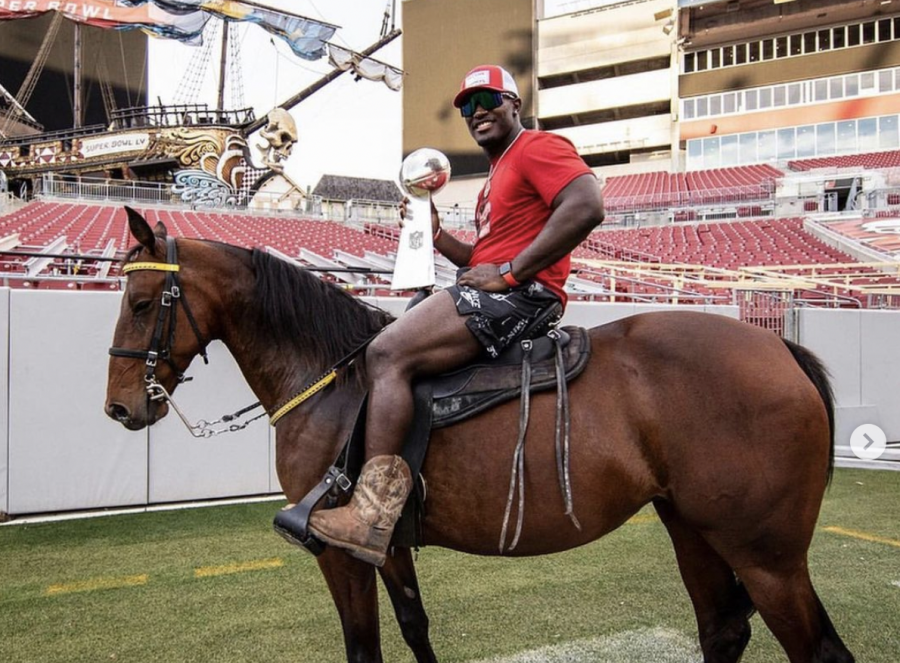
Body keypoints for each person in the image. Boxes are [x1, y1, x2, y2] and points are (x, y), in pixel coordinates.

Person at [308, 64, 605, 566]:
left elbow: (587, 205)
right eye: (467, 106)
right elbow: (479, 262)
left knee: (386, 353)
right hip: (505, 288)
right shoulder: (498, 174)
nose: (476, 112)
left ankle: (371, 515)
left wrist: (509, 274)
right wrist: (439, 235)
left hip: (523, 295)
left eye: (488, 100)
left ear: (515, 104)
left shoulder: (537, 147)